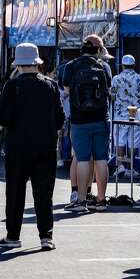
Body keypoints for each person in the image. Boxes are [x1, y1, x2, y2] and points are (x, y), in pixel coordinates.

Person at [0, 43, 65, 251]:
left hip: (18, 146)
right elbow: (60, 118)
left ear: (18, 64)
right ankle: (46, 237)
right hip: (46, 147)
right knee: (44, 194)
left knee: (15, 192)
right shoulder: (50, 85)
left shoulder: (12, 86)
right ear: (37, 62)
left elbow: (4, 118)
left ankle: (13, 236)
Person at [59, 35, 112, 212]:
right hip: (100, 118)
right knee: (101, 159)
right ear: (98, 50)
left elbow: (66, 89)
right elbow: (109, 89)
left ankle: (81, 200)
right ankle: (101, 200)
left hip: (79, 119)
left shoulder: (70, 66)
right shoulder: (104, 66)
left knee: (82, 159)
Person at [111, 54, 140, 179]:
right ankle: (130, 168)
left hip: (120, 114)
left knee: (120, 139)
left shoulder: (116, 78)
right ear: (134, 65)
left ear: (122, 65)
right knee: (134, 140)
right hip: (136, 113)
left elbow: (112, 95)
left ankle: (120, 166)